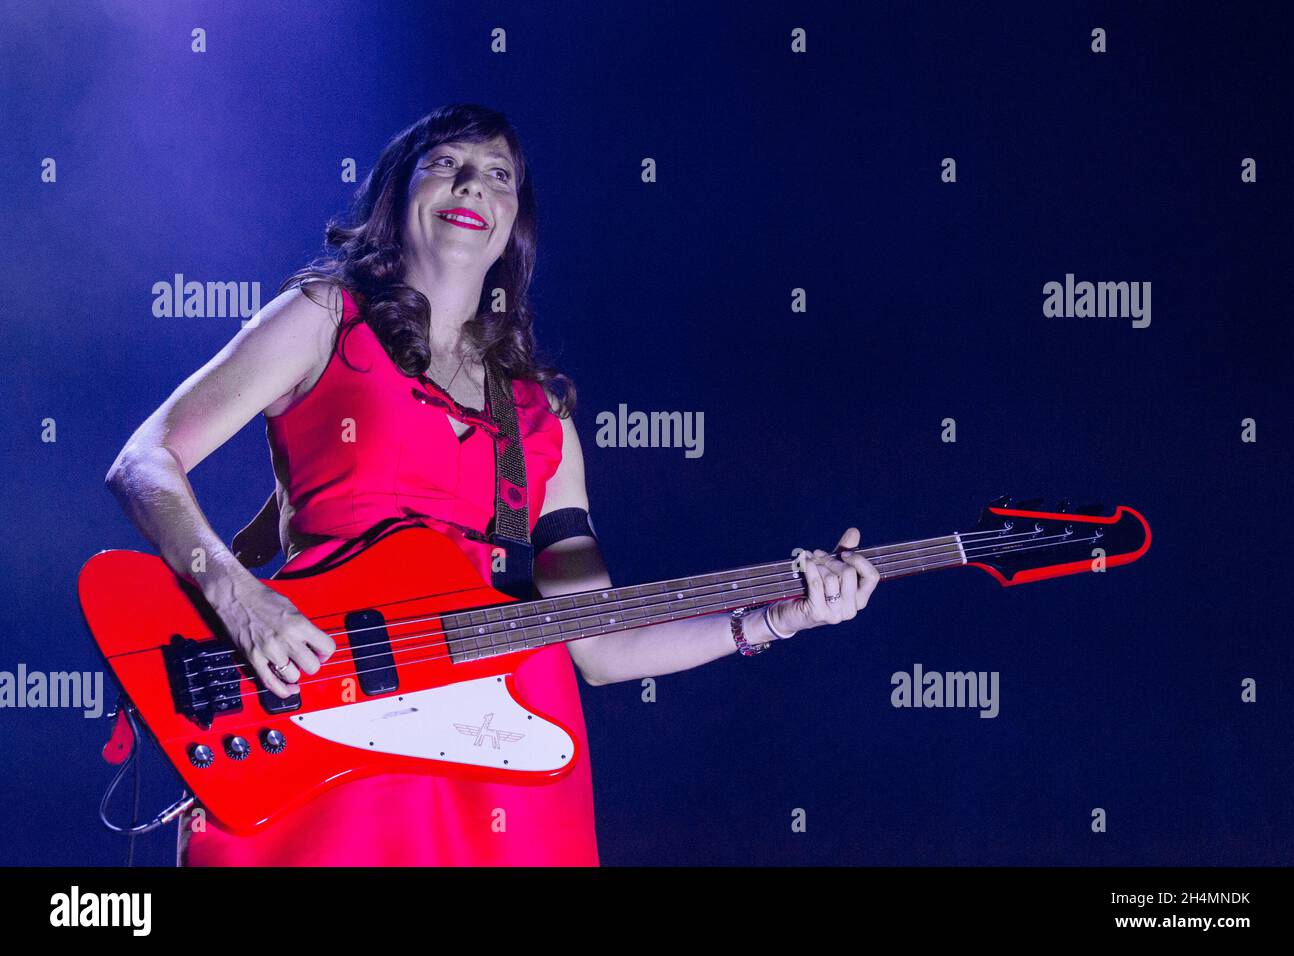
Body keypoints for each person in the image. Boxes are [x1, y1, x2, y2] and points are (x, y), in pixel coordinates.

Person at [104, 104, 881, 866]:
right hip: (323, 730)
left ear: (516, 223)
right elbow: (146, 460)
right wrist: (237, 595)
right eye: (445, 164)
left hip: (506, 761)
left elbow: (601, 645)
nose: (471, 186)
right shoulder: (325, 320)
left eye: (497, 175)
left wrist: (778, 619)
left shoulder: (541, 415)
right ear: (396, 196)